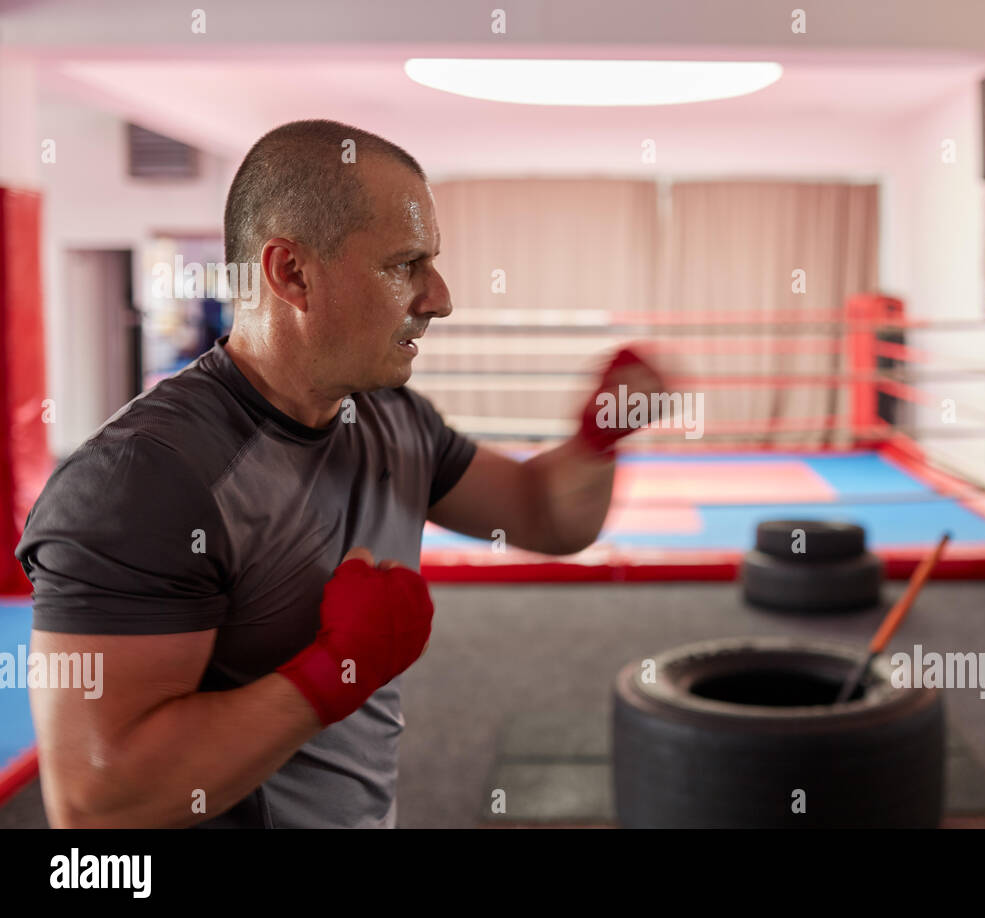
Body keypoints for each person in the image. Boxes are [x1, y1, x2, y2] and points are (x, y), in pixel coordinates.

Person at [15, 119, 664, 828]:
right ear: (290, 272)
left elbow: (545, 517)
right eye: (404, 264)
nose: (439, 296)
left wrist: (596, 441)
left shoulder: (392, 419)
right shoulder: (144, 478)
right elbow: (97, 802)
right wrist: (338, 668)